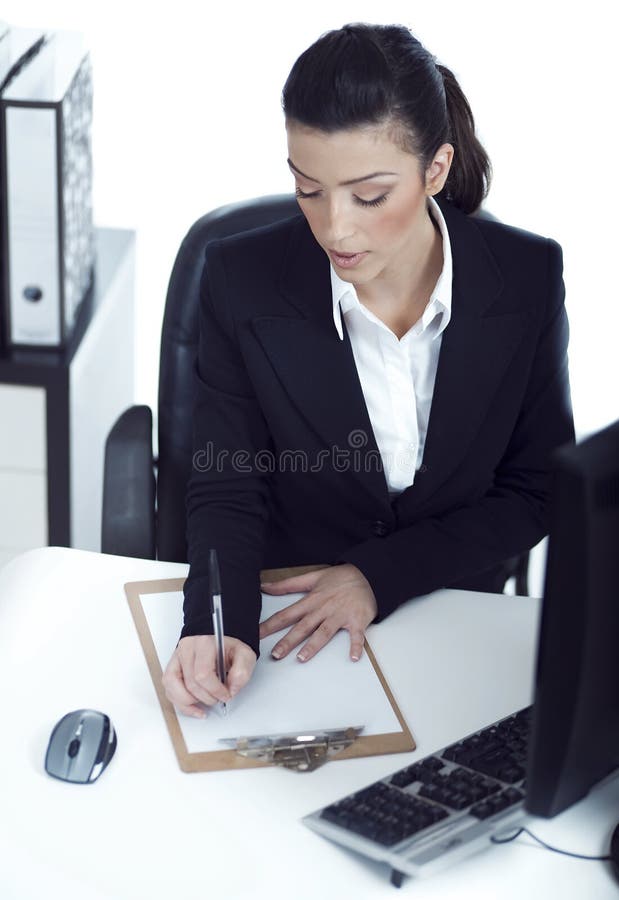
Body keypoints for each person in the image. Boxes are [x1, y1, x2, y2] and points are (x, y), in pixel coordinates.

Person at [162, 23, 574, 718]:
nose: (335, 229)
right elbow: (226, 480)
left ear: (434, 170)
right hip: (289, 621)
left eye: (369, 196)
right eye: (308, 189)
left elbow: (535, 487)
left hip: (449, 615)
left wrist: (379, 576)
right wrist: (214, 619)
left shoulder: (526, 280)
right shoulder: (240, 279)